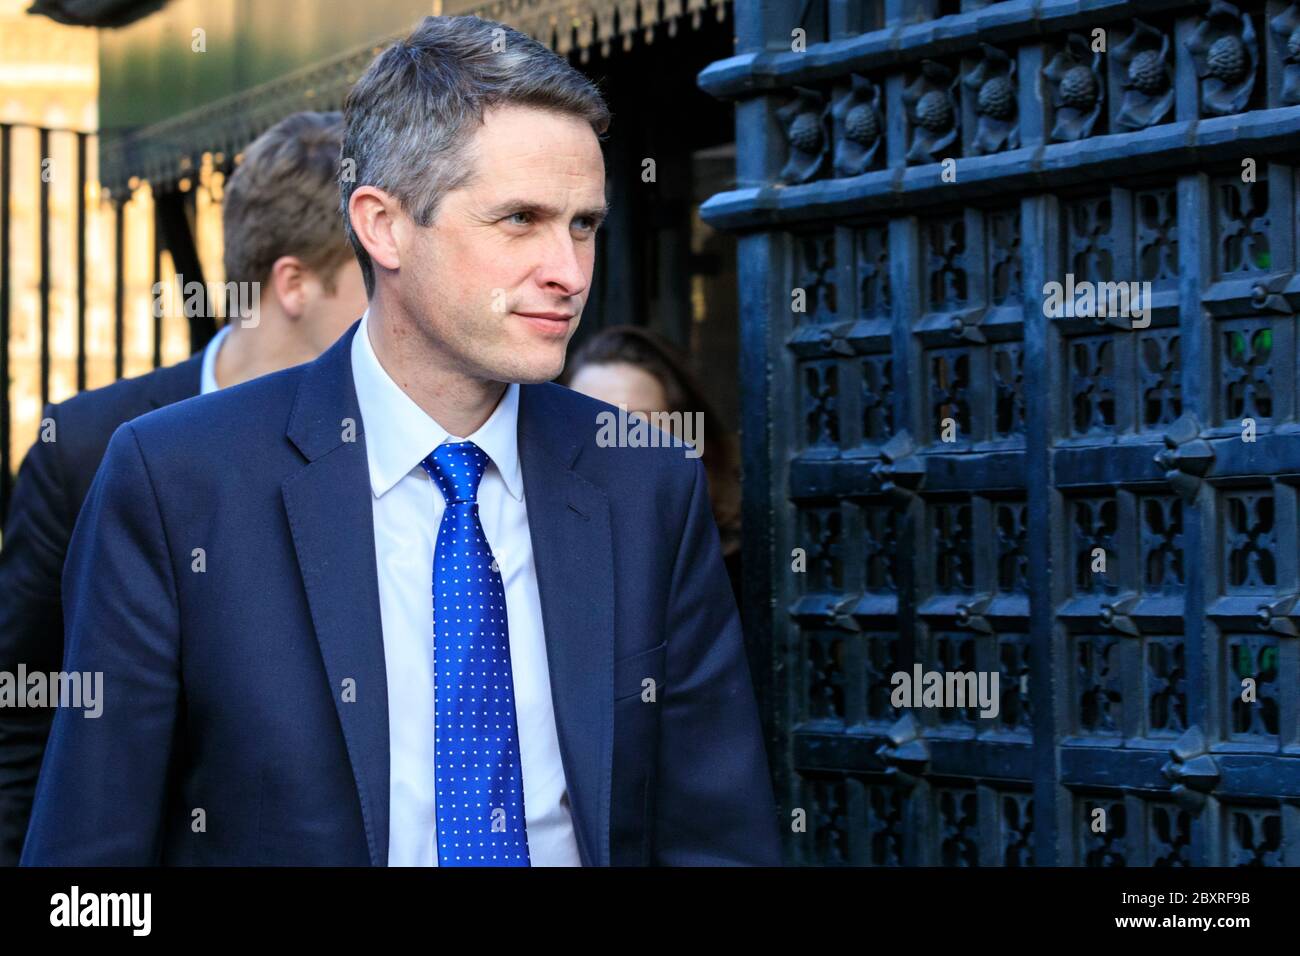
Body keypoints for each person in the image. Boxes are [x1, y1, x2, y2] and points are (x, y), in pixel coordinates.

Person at [21, 14, 779, 866]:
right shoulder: (177, 481)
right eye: (520, 219)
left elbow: (720, 839)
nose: (568, 270)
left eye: (583, 225)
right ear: (382, 226)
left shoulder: (645, 480)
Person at [0, 110, 367, 865]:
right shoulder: (85, 448)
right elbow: (21, 717)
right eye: (373, 273)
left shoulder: (403, 445)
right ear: (294, 284)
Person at [565, 326, 742, 603]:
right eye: (590, 422)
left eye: (636, 424)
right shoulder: (541, 544)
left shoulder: (735, 562)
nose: (610, 442)